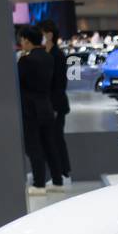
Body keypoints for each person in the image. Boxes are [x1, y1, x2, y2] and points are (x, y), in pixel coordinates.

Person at [15, 25, 61, 194]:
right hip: (46, 106)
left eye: (21, 40)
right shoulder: (48, 58)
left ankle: (39, 184)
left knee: (34, 146)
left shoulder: (25, 61)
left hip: (30, 108)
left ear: (26, 40)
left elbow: (18, 82)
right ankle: (57, 181)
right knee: (50, 144)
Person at [37, 20, 72, 184]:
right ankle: (57, 173)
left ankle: (64, 173)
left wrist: (55, 106)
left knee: (57, 139)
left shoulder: (57, 55)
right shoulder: (46, 53)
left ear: (49, 34)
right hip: (47, 104)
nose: (41, 37)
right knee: (50, 140)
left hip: (56, 104)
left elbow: (59, 83)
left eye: (42, 33)